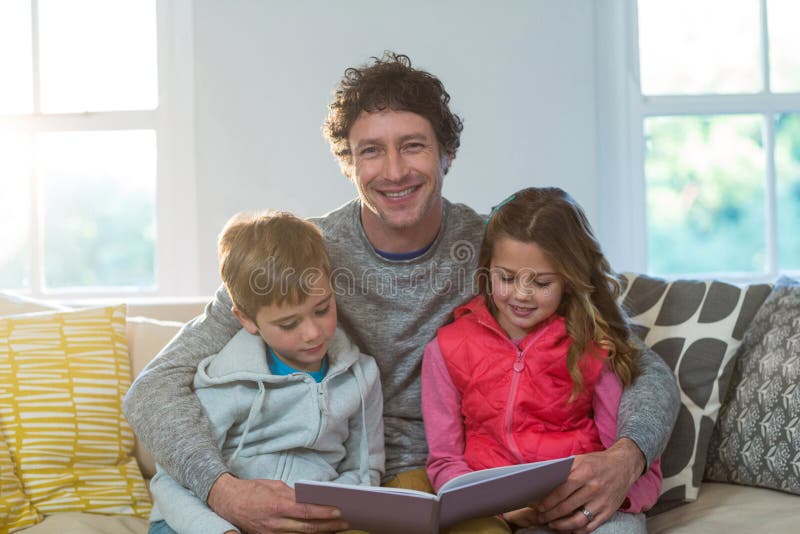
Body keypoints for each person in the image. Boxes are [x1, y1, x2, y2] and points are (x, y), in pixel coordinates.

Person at [123, 52, 679, 534]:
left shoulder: (500, 253)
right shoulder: (300, 258)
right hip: (341, 480)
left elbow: (639, 366)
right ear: (348, 163)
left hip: (470, 478)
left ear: (447, 154)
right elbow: (153, 388)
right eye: (371, 151)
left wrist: (626, 457)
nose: (393, 171)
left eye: (412, 146)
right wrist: (222, 490)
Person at [422, 187, 663, 533]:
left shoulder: (593, 345)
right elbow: (445, 461)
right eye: (506, 278)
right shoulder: (447, 348)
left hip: (583, 506)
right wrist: (502, 510)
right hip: (500, 511)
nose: (521, 294)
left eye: (541, 282)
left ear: (569, 279)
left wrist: (609, 502)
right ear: (486, 269)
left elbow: (621, 462)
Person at [147, 211, 384, 534]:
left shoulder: (361, 376)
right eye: (288, 324)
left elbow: (364, 470)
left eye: (322, 309)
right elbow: (170, 481)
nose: (313, 333)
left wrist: (322, 512)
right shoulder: (226, 381)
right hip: (201, 521)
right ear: (246, 319)